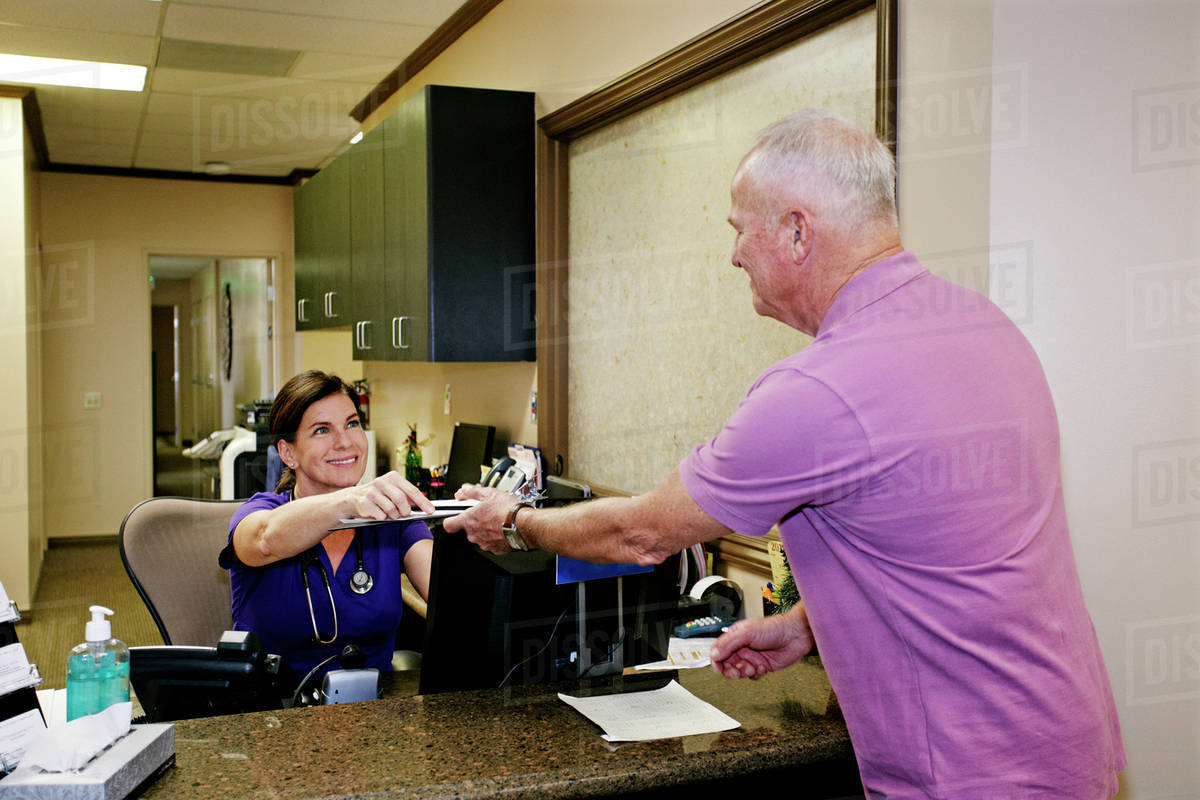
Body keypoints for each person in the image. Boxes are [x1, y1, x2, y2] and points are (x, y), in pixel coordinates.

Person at [445, 110, 1126, 798]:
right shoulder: (985, 324)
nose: (734, 254)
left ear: (798, 231)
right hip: (1068, 744)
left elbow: (643, 532)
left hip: (968, 774)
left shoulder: (819, 389)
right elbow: (961, 547)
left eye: (740, 229)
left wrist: (513, 521)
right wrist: (814, 623)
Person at [219, 370, 436, 683]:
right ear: (288, 452)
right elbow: (264, 540)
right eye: (322, 430)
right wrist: (348, 501)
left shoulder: (394, 521)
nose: (345, 442)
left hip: (372, 711)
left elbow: (451, 597)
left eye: (352, 424)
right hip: (271, 712)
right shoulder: (261, 512)